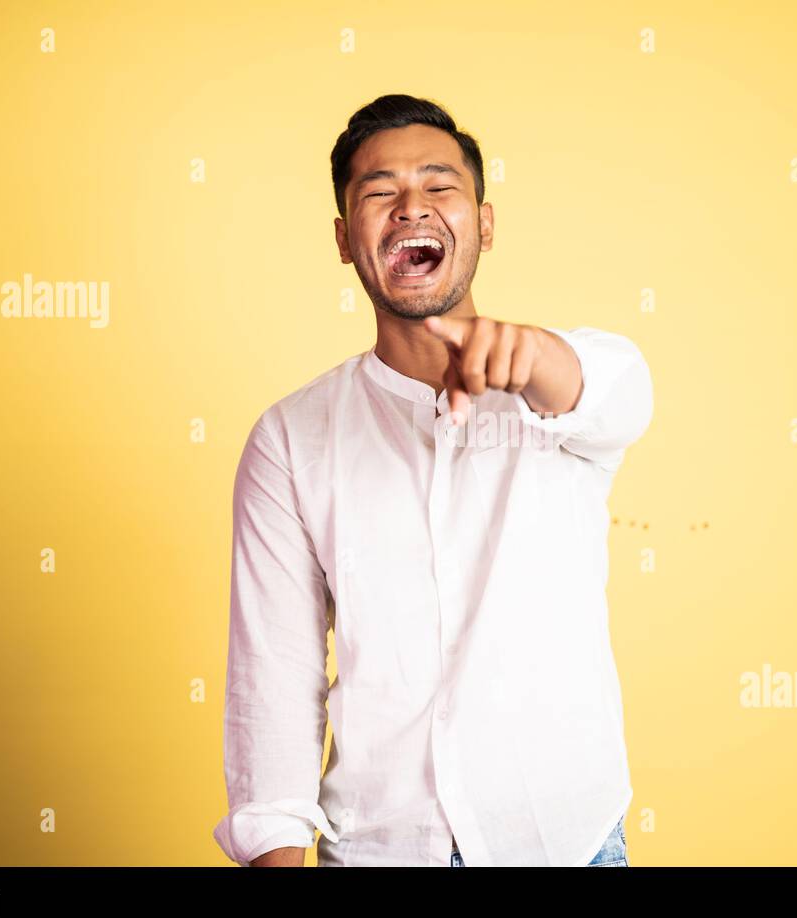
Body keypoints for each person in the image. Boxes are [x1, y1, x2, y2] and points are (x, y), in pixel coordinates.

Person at [212, 94, 652, 866]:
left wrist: (537, 360)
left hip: (570, 845)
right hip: (381, 849)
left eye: (439, 186)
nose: (411, 206)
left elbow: (620, 394)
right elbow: (273, 685)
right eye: (380, 192)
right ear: (347, 240)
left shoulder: (562, 393)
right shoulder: (290, 440)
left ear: (484, 223)